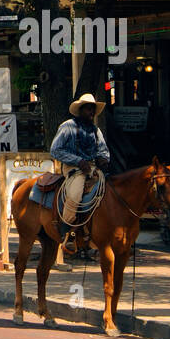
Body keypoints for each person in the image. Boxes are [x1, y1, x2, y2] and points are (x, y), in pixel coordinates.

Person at [49, 92, 110, 243]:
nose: (91, 112)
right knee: (75, 195)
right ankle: (67, 229)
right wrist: (77, 161)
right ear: (81, 110)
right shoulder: (67, 126)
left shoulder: (96, 130)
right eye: (88, 109)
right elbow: (55, 150)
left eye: (93, 109)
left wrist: (103, 159)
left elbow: (104, 150)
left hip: (93, 168)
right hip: (73, 169)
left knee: (109, 192)